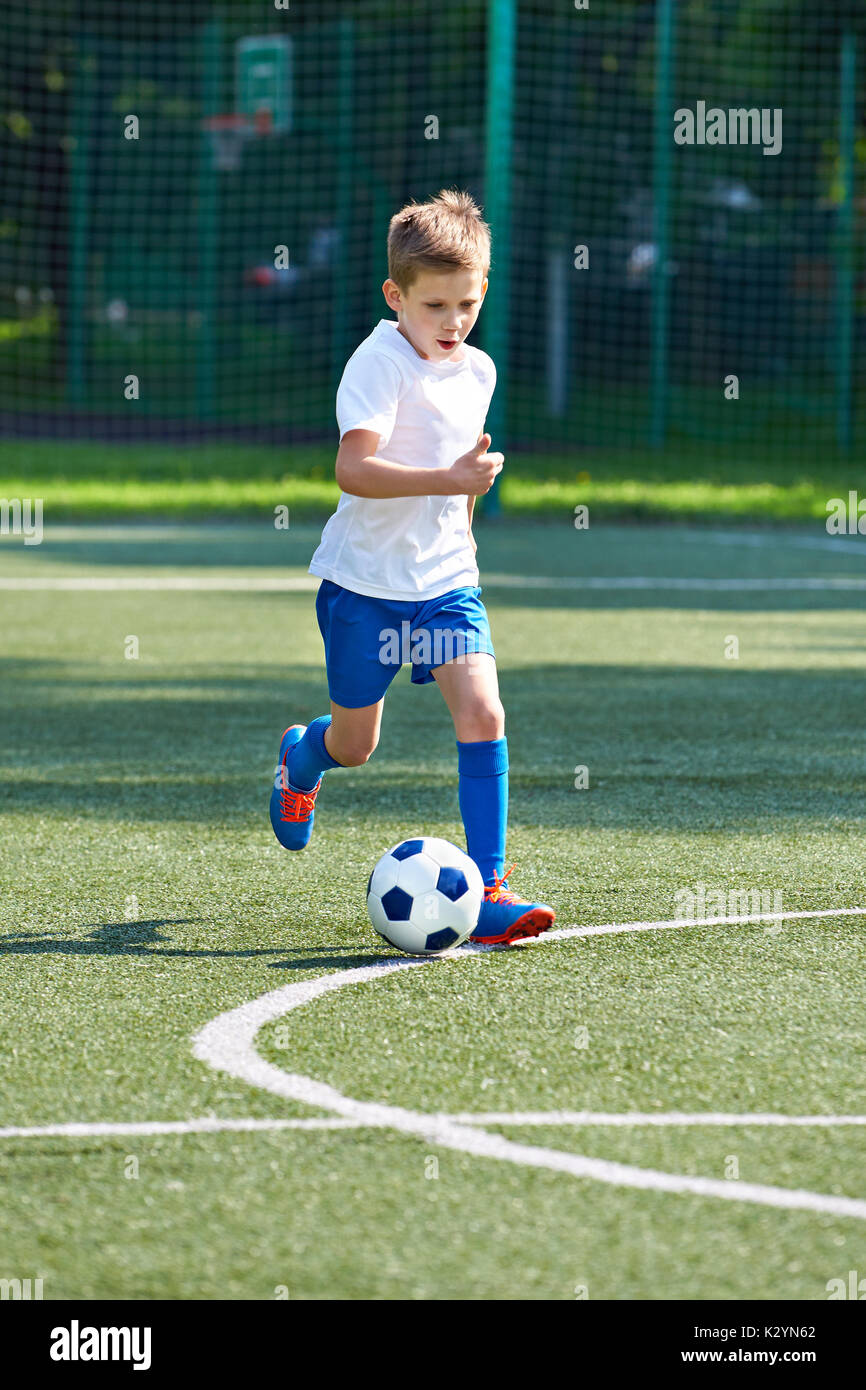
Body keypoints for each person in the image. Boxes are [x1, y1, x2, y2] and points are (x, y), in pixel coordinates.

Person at [269, 188, 555, 944]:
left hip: (446, 588)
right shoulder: (377, 364)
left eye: (467, 303)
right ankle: (302, 759)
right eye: (434, 307)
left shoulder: (479, 371)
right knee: (356, 746)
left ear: (483, 290)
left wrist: (463, 543)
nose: (453, 323)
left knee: (484, 712)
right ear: (396, 296)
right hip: (364, 589)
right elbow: (353, 470)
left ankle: (490, 891)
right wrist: (451, 484)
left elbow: (457, 471)